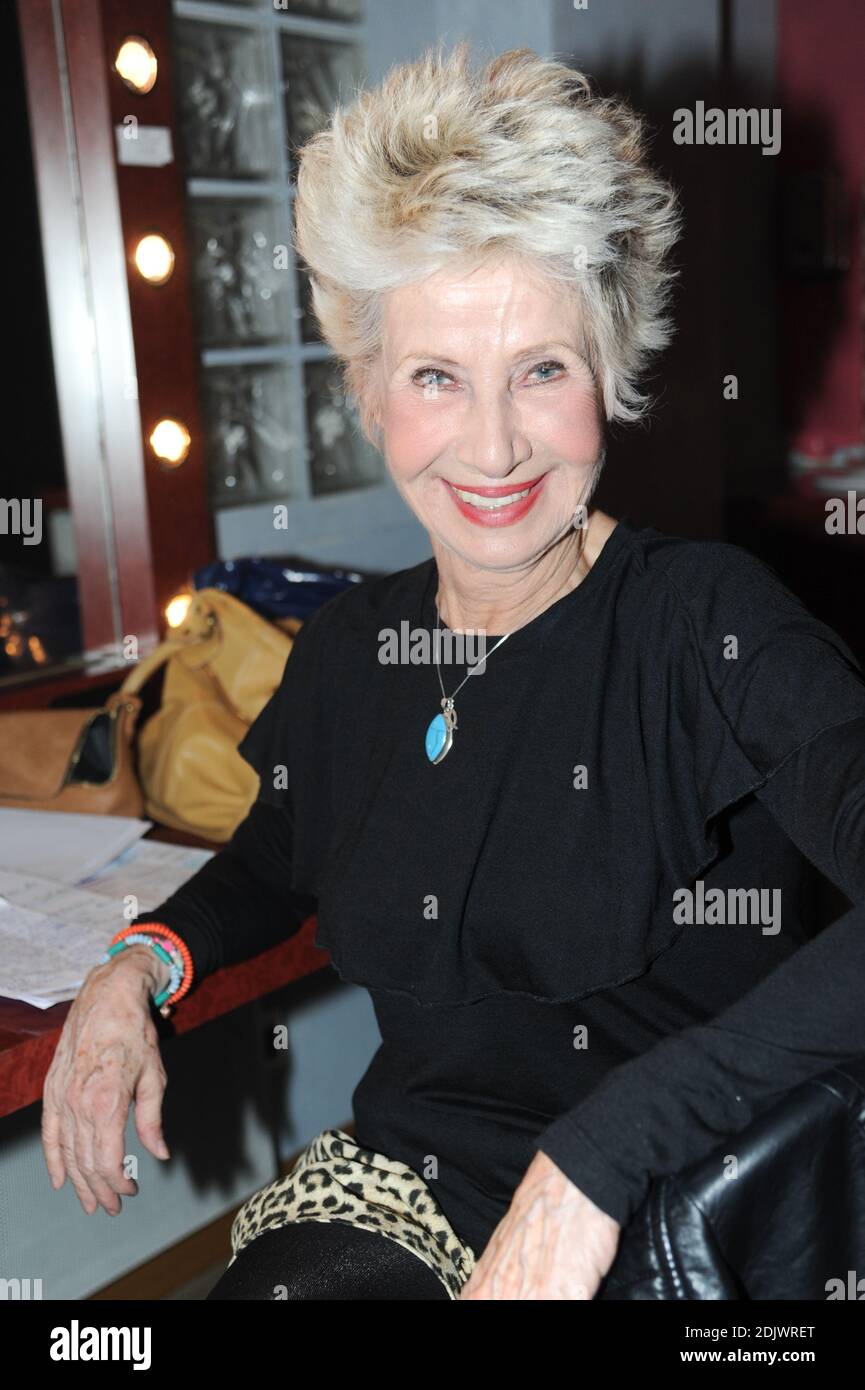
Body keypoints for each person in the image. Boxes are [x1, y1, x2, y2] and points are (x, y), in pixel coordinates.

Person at [42, 44, 865, 1301]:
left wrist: (595, 1157)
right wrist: (133, 968)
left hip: (689, 1200)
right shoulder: (352, 647)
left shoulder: (709, 625)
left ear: (610, 373)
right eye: (437, 376)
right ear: (368, 387)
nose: (493, 444)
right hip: (413, 1196)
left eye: (542, 368)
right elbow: (278, 851)